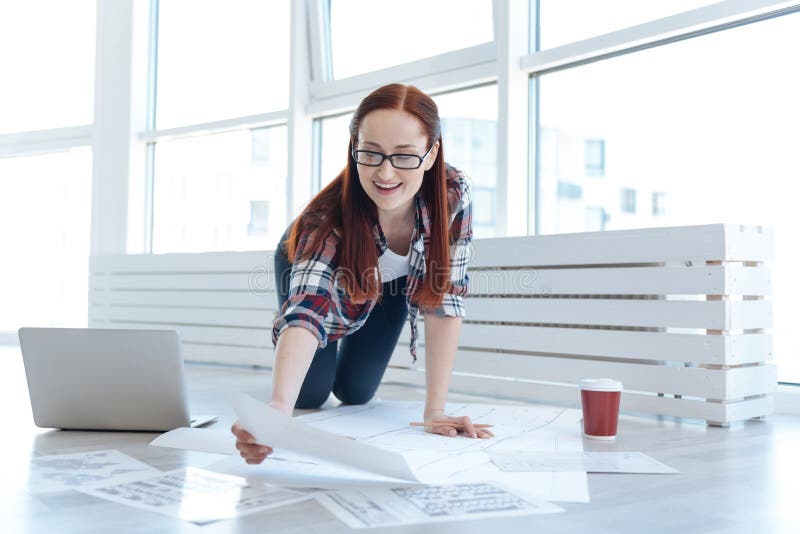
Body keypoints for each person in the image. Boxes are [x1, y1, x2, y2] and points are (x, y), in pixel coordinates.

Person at [231, 83, 493, 464]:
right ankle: (292, 344)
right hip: (310, 266)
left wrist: (435, 410)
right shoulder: (324, 220)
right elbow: (308, 309)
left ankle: (334, 340)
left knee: (357, 392)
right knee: (311, 394)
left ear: (432, 153)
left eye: (405, 156)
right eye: (371, 153)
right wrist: (278, 410)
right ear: (355, 146)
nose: (385, 172)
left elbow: (445, 298)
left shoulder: (454, 194)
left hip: (391, 282)